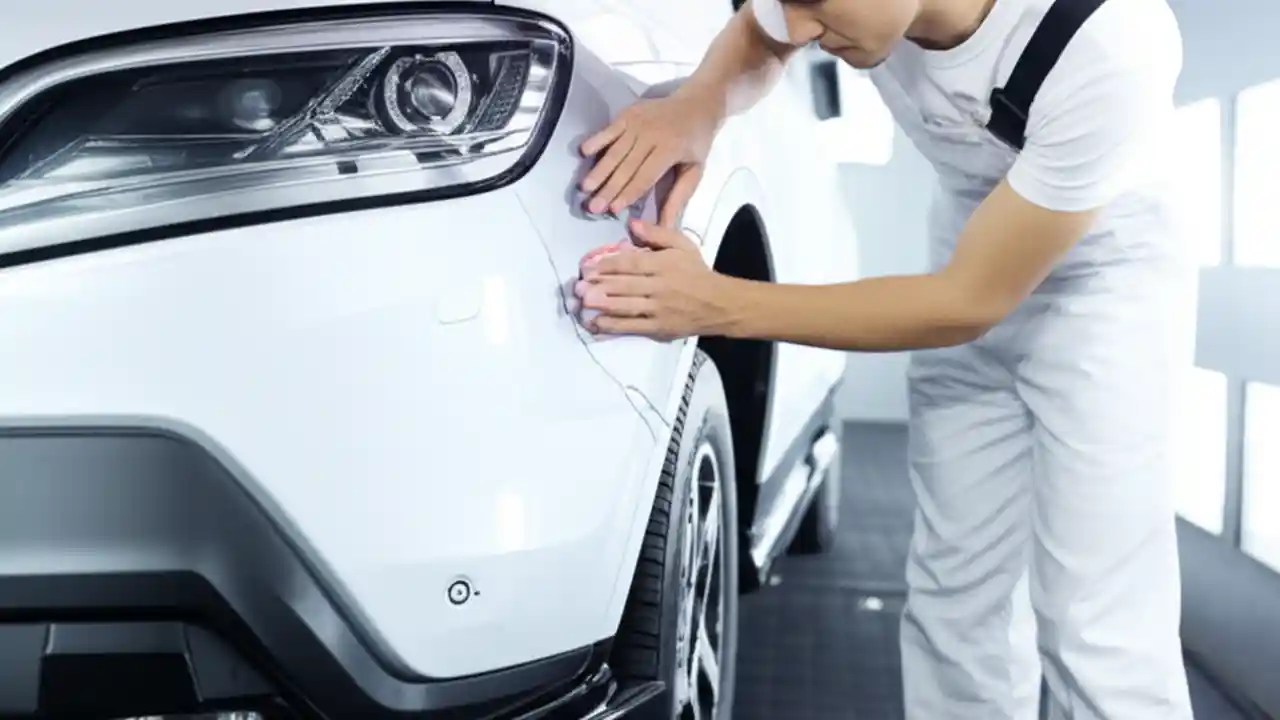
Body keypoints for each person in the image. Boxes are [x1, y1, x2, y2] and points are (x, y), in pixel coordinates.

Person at [574, 0, 1194, 718]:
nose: (801, 29)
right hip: (971, 249)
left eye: (814, 2)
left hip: (1104, 289)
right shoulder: (834, 9)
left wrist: (712, 302)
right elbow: (760, 36)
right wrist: (700, 107)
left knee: (1096, 621)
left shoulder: (1111, 42)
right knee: (954, 598)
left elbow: (966, 303)